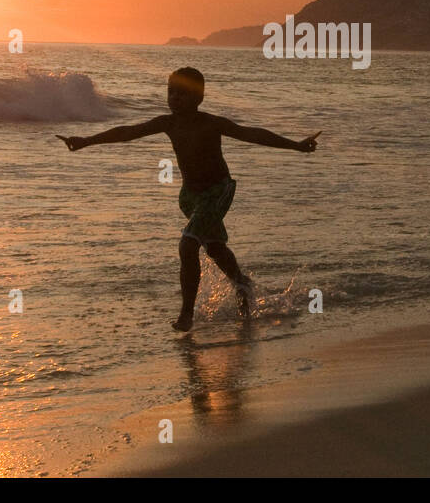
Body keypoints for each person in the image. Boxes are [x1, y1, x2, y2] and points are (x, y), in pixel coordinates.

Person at [57, 67, 320, 331]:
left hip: (218, 191)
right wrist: (86, 141)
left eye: (182, 94)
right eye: (171, 92)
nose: (174, 98)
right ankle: (241, 284)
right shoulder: (168, 123)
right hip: (190, 197)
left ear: (199, 97)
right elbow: (127, 132)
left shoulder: (211, 123)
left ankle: (186, 315)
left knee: (187, 245)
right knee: (214, 248)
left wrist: (296, 145)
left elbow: (252, 134)